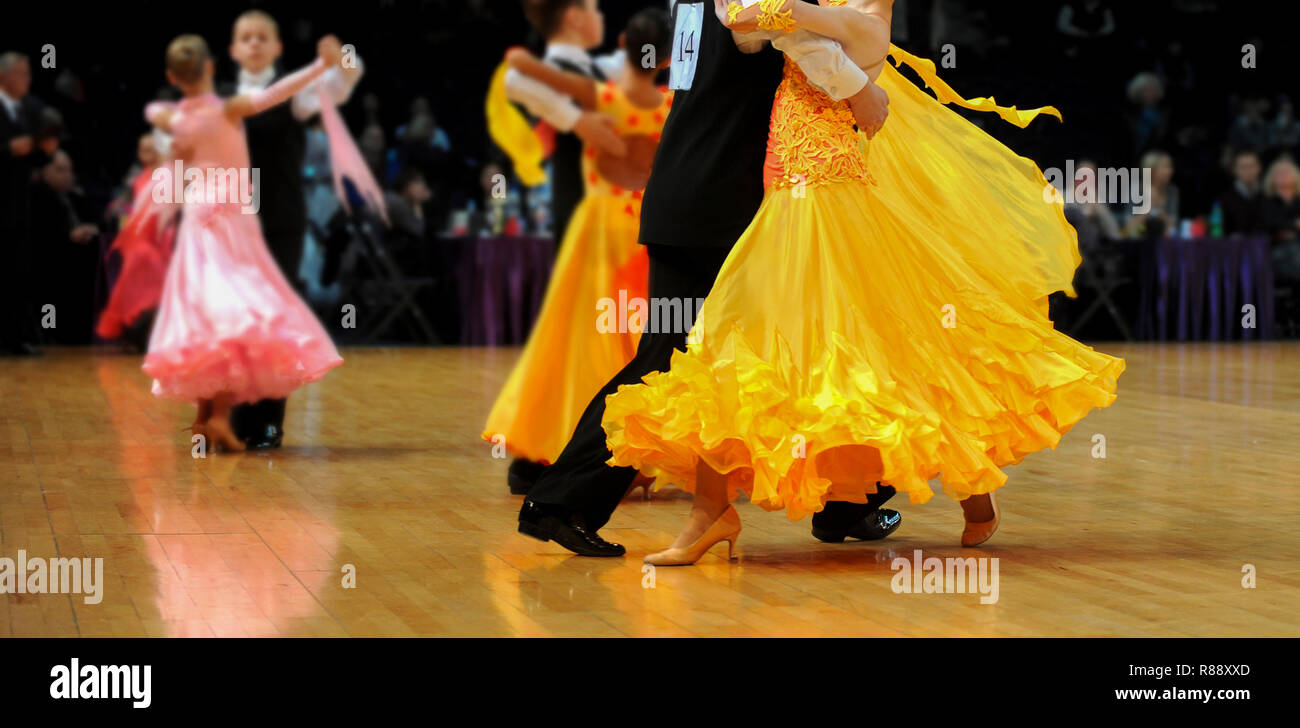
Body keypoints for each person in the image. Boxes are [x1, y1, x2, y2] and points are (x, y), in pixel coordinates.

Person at [598, 0, 1123, 565]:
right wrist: (776, 15)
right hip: (784, 187)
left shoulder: (864, 17)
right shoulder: (818, 14)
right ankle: (711, 513)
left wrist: (783, 13)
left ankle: (974, 488)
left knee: (899, 338)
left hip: (842, 195)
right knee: (736, 337)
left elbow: (832, 31)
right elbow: (748, 32)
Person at [517, 0, 894, 557]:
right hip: (714, 198)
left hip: (692, 187)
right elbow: (794, 36)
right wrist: (862, 87)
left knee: (804, 344)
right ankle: (559, 501)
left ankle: (849, 502)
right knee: (671, 358)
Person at [482, 7, 672, 487]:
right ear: (570, 17)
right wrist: (576, 121)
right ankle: (605, 449)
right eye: (588, 5)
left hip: (605, 226)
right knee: (616, 335)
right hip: (611, 223)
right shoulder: (628, 88)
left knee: (587, 338)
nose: (597, 13)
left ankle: (575, 449)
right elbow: (515, 79)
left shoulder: (604, 81)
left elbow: (522, 69)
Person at [141, 34, 345, 451]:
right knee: (237, 315)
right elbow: (276, 93)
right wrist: (320, 67)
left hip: (198, 221)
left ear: (171, 76)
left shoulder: (174, 120)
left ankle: (204, 420)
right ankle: (216, 418)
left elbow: (171, 175)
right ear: (212, 69)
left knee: (205, 317)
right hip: (232, 220)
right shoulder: (230, 108)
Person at [225, 9, 365, 449]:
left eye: (261, 37)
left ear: (277, 47)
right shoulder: (221, 98)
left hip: (281, 221)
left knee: (272, 322)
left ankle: (268, 421)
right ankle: (228, 419)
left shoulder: (296, 92)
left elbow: (344, 82)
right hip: (229, 222)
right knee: (232, 323)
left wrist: (341, 56)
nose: (253, 44)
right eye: (245, 37)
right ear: (233, 48)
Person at [0, 51, 57, 356]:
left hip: (19, 202)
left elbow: (33, 156)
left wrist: (44, 151)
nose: (27, 79)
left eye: (28, 73)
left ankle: (16, 337)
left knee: (17, 269)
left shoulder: (27, 110)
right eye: (21, 73)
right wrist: (8, 149)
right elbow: (9, 150)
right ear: (3, 76)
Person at [29, 150, 101, 345]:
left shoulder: (77, 198)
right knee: (48, 303)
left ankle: (77, 332)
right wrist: (67, 236)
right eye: (60, 170)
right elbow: (38, 234)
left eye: (69, 170)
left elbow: (96, 221)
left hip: (75, 265)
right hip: (47, 266)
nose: (68, 175)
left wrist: (90, 229)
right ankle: (48, 332)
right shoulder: (36, 199)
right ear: (44, 172)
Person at [1218, 148, 1266, 236]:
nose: (1247, 171)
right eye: (1243, 167)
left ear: (1259, 167)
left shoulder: (1268, 194)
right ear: (1234, 170)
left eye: (1251, 166)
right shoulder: (1225, 199)